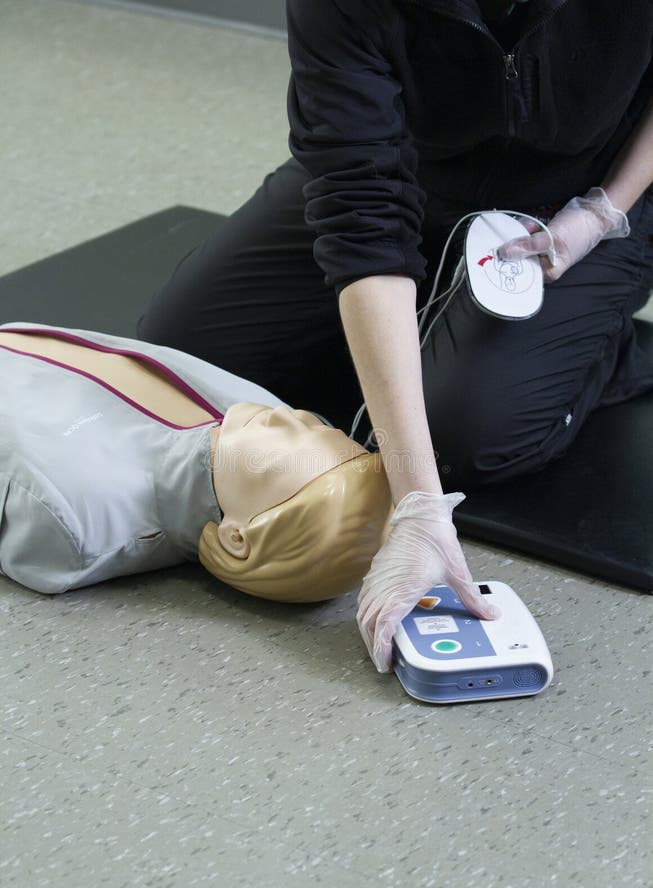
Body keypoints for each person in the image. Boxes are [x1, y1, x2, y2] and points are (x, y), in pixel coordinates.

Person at [136, 0, 653, 672]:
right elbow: (361, 210)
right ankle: (414, 330)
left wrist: (606, 208)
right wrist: (416, 505)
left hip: (582, 197)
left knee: (463, 437)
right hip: (404, 169)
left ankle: (591, 345)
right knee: (184, 356)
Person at [0, 323, 392, 604]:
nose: (287, 418)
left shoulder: (69, 521)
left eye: (279, 455)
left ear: (236, 537)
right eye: (317, 426)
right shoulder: (252, 416)